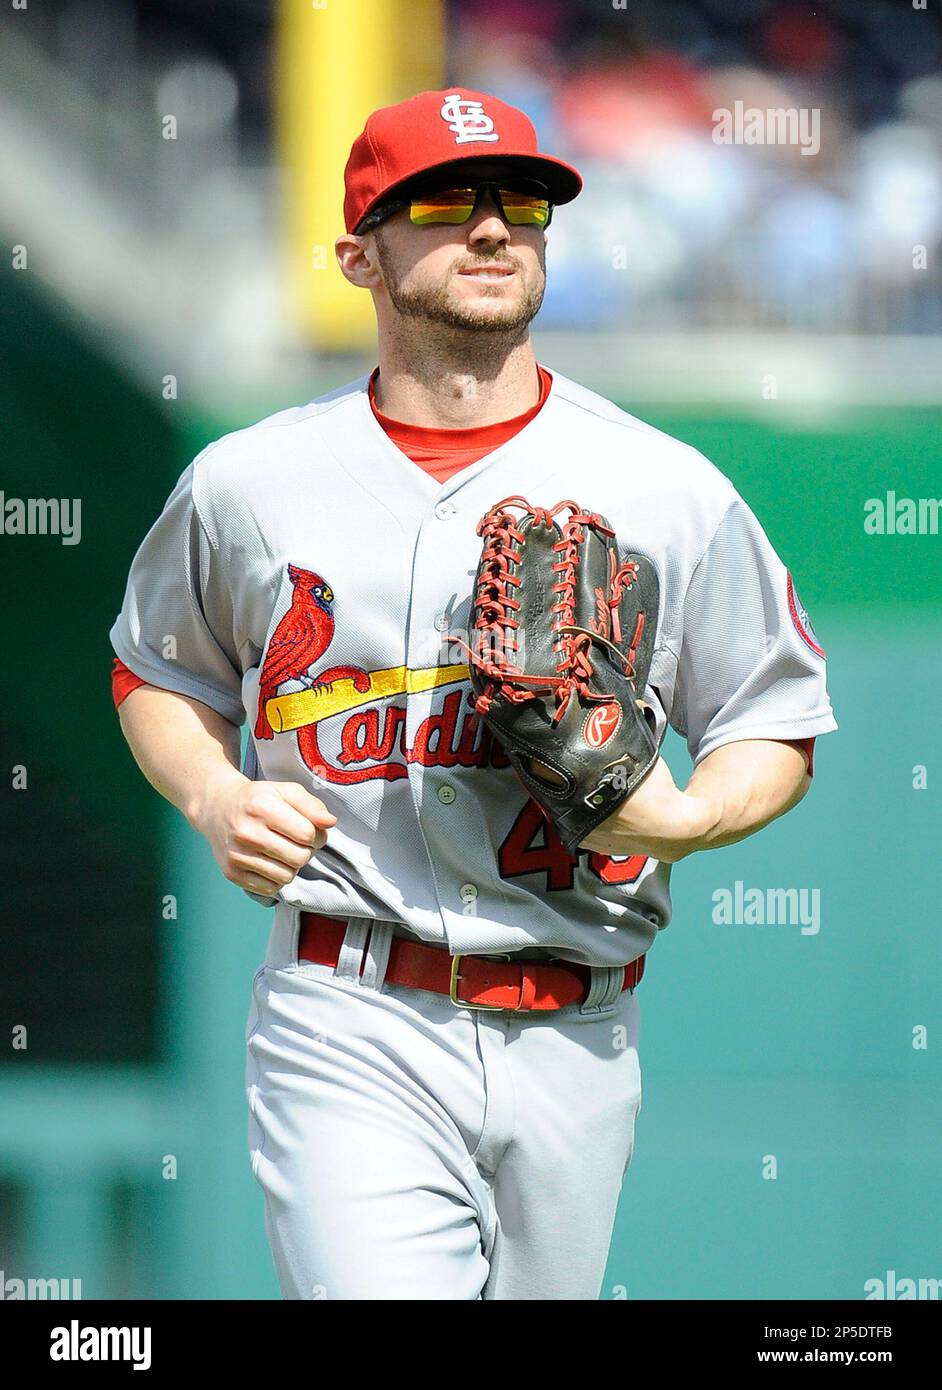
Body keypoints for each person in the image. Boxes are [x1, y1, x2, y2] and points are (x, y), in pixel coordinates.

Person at [110, 88, 837, 1300]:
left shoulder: (665, 487)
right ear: (360, 255)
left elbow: (774, 714)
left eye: (525, 202)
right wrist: (212, 793)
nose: (495, 228)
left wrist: (692, 818)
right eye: (445, 201)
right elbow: (157, 669)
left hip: (583, 1023)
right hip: (349, 1009)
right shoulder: (250, 482)